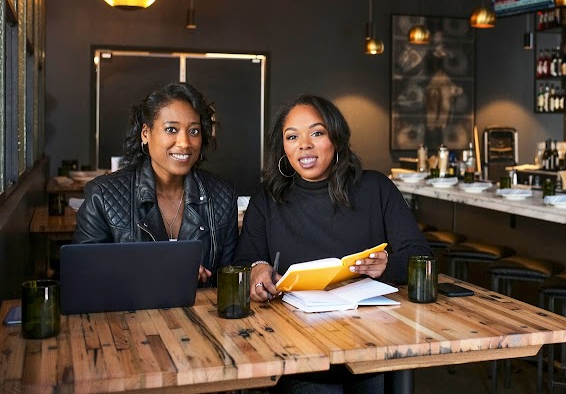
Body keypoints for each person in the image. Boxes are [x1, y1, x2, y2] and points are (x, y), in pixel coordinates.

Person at [234, 94, 431, 394]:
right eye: (292, 136)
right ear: (283, 147)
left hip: (370, 340)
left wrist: (387, 266)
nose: (304, 144)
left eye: (317, 132)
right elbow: (244, 260)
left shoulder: (375, 188)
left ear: (336, 139)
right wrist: (257, 270)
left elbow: (421, 256)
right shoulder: (266, 198)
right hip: (297, 345)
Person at [73, 82, 239, 286]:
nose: (185, 142)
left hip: (201, 315)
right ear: (145, 133)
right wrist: (161, 270)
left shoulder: (222, 195)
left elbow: (231, 278)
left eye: (194, 131)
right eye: (171, 129)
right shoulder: (103, 195)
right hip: (131, 316)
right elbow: (84, 277)